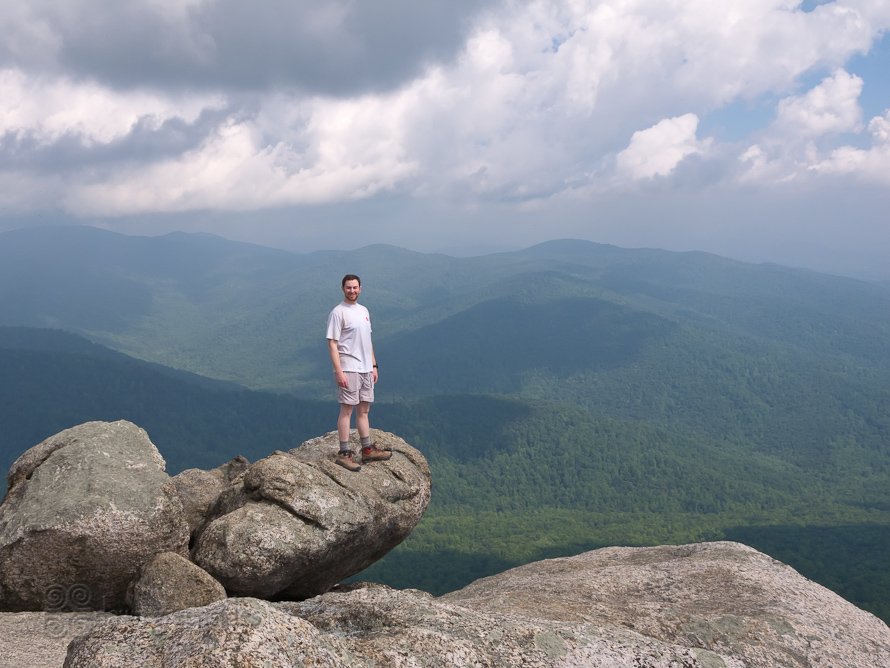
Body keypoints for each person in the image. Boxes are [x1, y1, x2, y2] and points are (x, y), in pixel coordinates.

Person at [326, 274, 391, 471]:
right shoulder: (338, 312)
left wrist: (373, 365)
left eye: (355, 288)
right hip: (349, 367)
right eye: (348, 288)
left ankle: (367, 449)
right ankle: (344, 453)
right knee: (347, 409)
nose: (352, 291)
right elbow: (332, 343)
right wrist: (339, 371)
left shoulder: (364, 311)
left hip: (365, 368)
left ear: (360, 289)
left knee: (364, 409)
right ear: (342, 289)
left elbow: (367, 340)